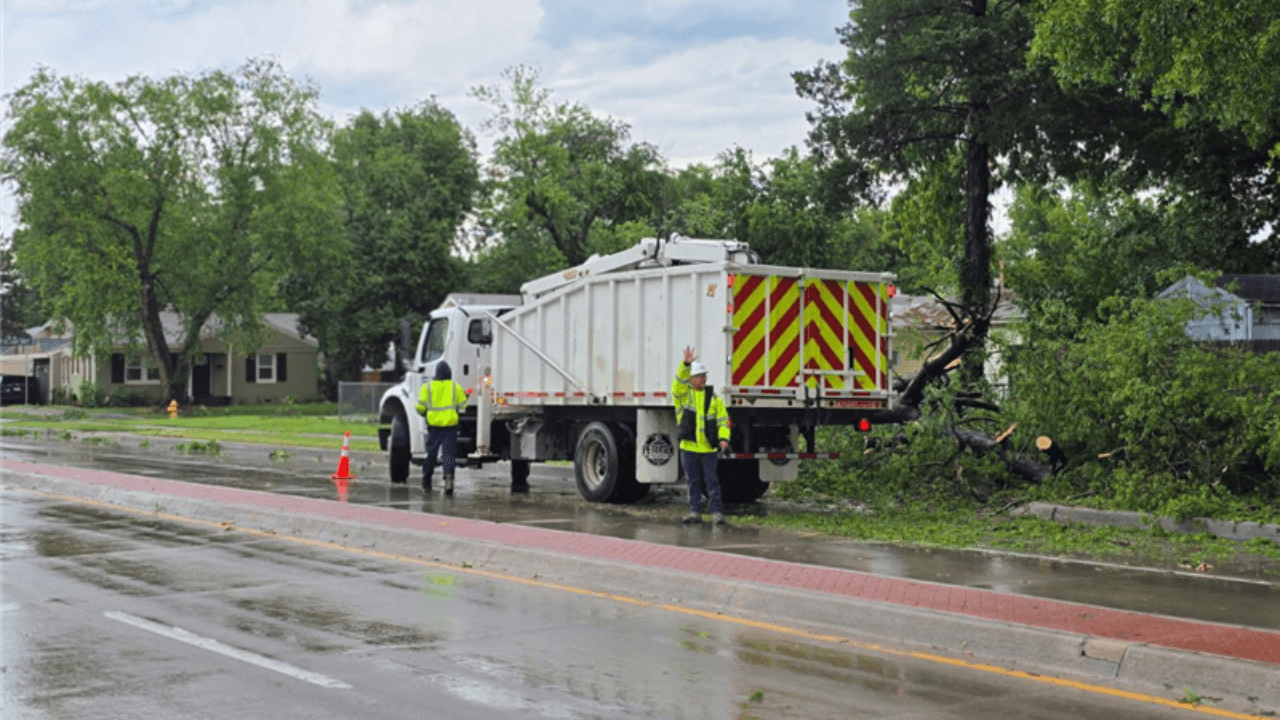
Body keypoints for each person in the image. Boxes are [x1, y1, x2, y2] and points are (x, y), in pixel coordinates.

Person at [672, 346, 731, 524]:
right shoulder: (683, 397)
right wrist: (685, 365)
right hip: (689, 447)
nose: (702, 379)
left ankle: (716, 514)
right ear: (691, 379)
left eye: (704, 376)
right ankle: (694, 513)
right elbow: (677, 386)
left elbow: (723, 421)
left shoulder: (714, 398)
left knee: (712, 482)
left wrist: (723, 438)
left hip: (708, 448)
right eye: (699, 376)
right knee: (693, 482)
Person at [415, 361, 469, 495]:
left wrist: (425, 413)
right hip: (450, 426)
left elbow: (420, 407)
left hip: (433, 427)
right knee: (449, 455)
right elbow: (463, 406)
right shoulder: (455, 386)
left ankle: (426, 480)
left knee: (431, 454)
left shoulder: (427, 387)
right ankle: (449, 479)